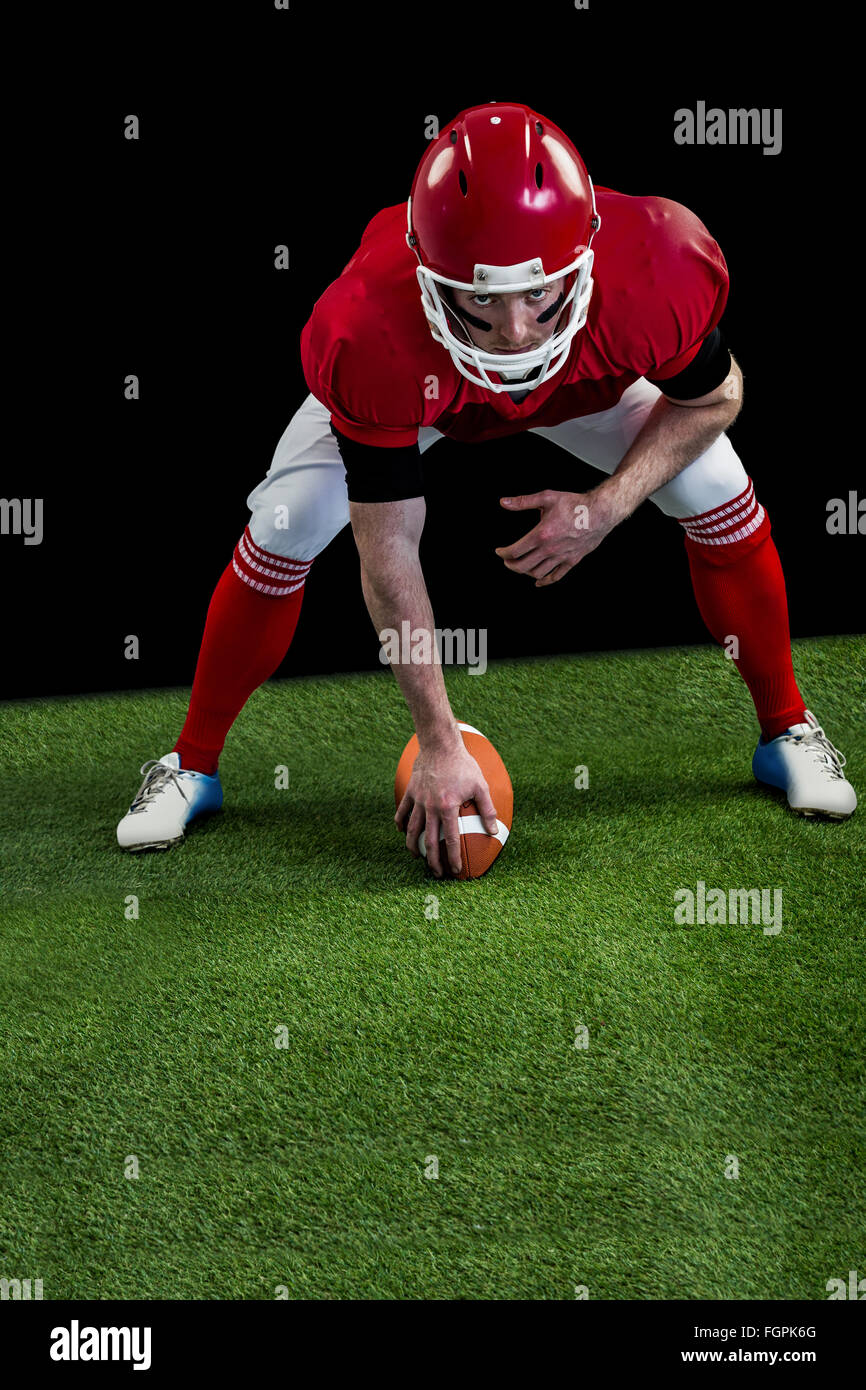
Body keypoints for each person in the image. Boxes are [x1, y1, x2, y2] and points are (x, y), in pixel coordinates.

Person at [116, 102, 856, 871]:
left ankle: (787, 727)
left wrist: (606, 506)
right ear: (428, 274)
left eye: (538, 293)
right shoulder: (369, 332)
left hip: (586, 389)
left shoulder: (654, 266)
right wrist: (437, 741)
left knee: (717, 487)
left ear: (587, 254)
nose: (516, 332)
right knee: (285, 521)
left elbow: (715, 398)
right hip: (425, 393)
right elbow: (388, 546)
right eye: (482, 298)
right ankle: (191, 764)